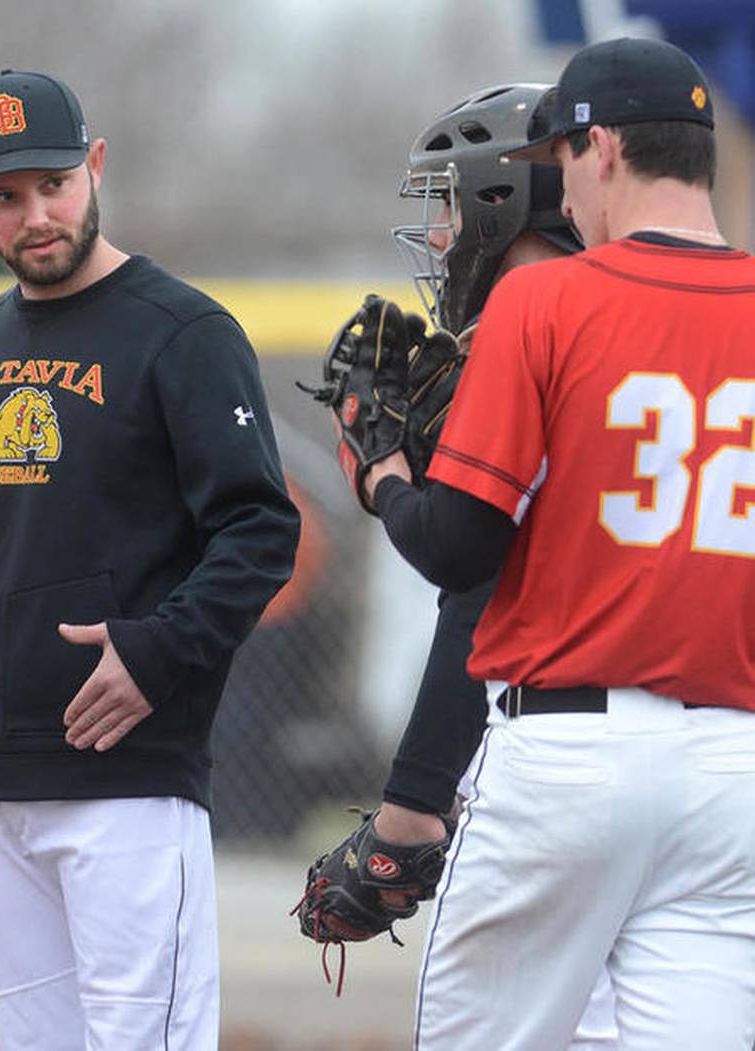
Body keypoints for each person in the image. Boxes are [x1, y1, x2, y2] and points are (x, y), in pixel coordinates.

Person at [0, 70, 300, 1048]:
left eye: (53, 184)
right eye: (3, 196)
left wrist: (158, 653)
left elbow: (258, 530)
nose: (34, 214)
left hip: (127, 774)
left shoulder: (182, 332)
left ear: (95, 165)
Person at [363, 38, 755, 1049]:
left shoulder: (540, 300)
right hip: (731, 770)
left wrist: (385, 477)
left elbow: (457, 550)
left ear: (603, 149)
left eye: (561, 160)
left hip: (570, 755)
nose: (563, 191)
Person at [333, 81, 620, 1049]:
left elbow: (472, 578)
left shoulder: (525, 327)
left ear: (505, 197)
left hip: (558, 757)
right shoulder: (643, 323)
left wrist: (384, 477)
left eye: (449, 202)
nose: (440, 232)